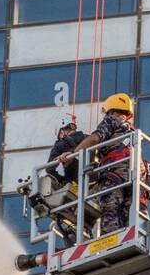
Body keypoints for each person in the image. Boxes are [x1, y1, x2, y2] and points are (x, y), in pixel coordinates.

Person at [54, 93, 136, 233]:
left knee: (109, 208)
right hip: (133, 177)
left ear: (110, 109)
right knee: (127, 213)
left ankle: (109, 242)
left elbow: (94, 138)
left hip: (114, 174)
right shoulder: (131, 130)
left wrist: (72, 153)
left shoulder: (112, 120)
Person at [47, 116, 87, 186]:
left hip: (74, 184)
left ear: (61, 132)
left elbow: (49, 169)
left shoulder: (60, 144)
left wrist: (62, 180)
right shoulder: (88, 138)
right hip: (94, 178)